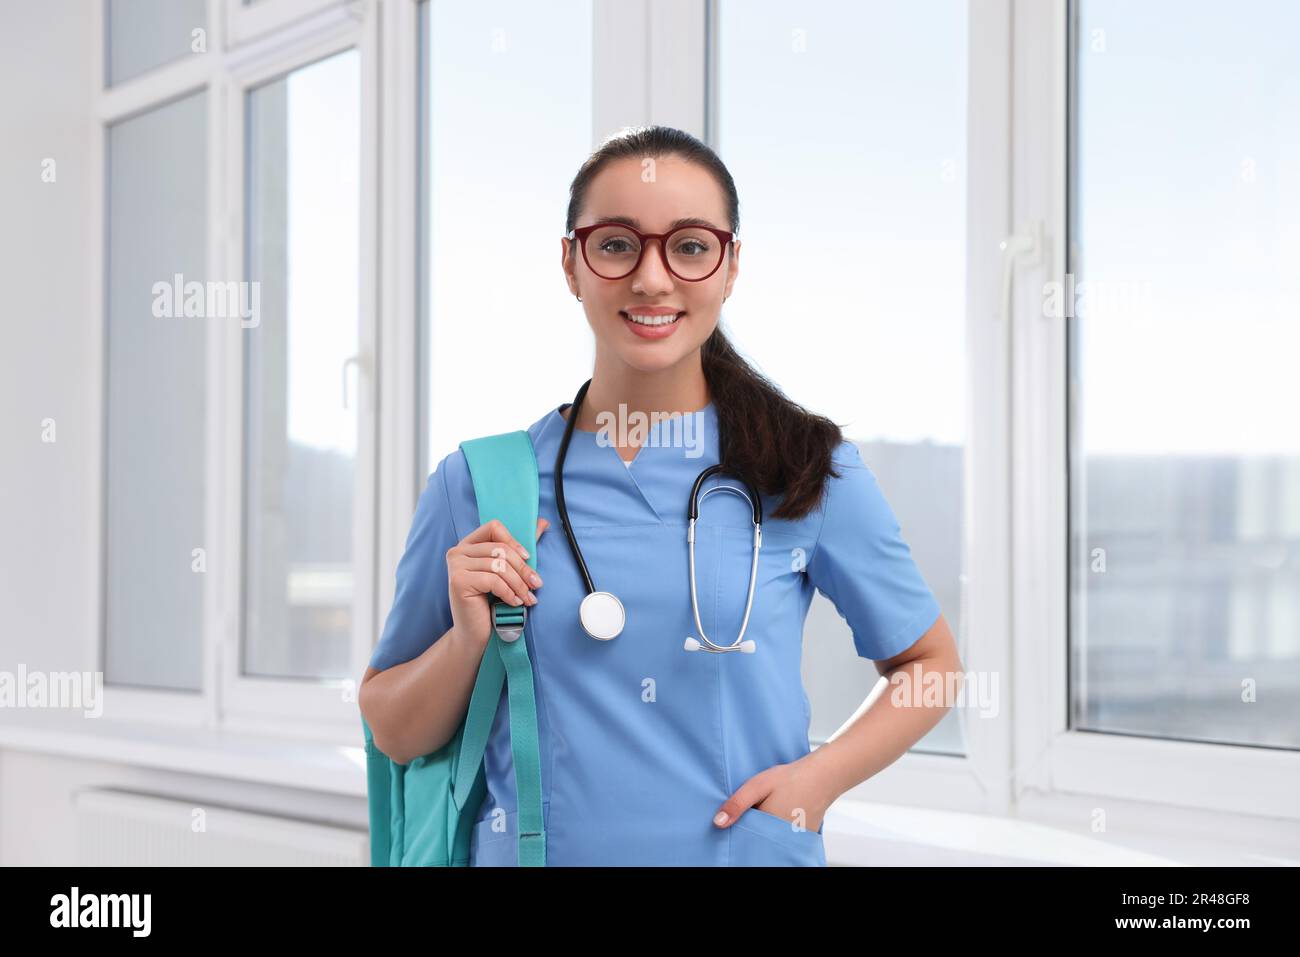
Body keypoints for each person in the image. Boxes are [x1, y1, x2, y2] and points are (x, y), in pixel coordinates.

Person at [358, 125, 962, 866]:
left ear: (731, 264)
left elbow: (929, 665)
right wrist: (467, 641)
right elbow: (393, 728)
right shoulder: (479, 482)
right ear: (571, 264)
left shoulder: (804, 467)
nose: (651, 278)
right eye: (616, 244)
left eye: (689, 245)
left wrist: (817, 780)